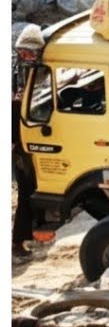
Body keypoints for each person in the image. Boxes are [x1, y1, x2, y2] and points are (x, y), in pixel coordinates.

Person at [13, 92, 34, 259]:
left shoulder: (21, 105)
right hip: (24, 159)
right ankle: (17, 243)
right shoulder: (17, 107)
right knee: (25, 199)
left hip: (24, 157)